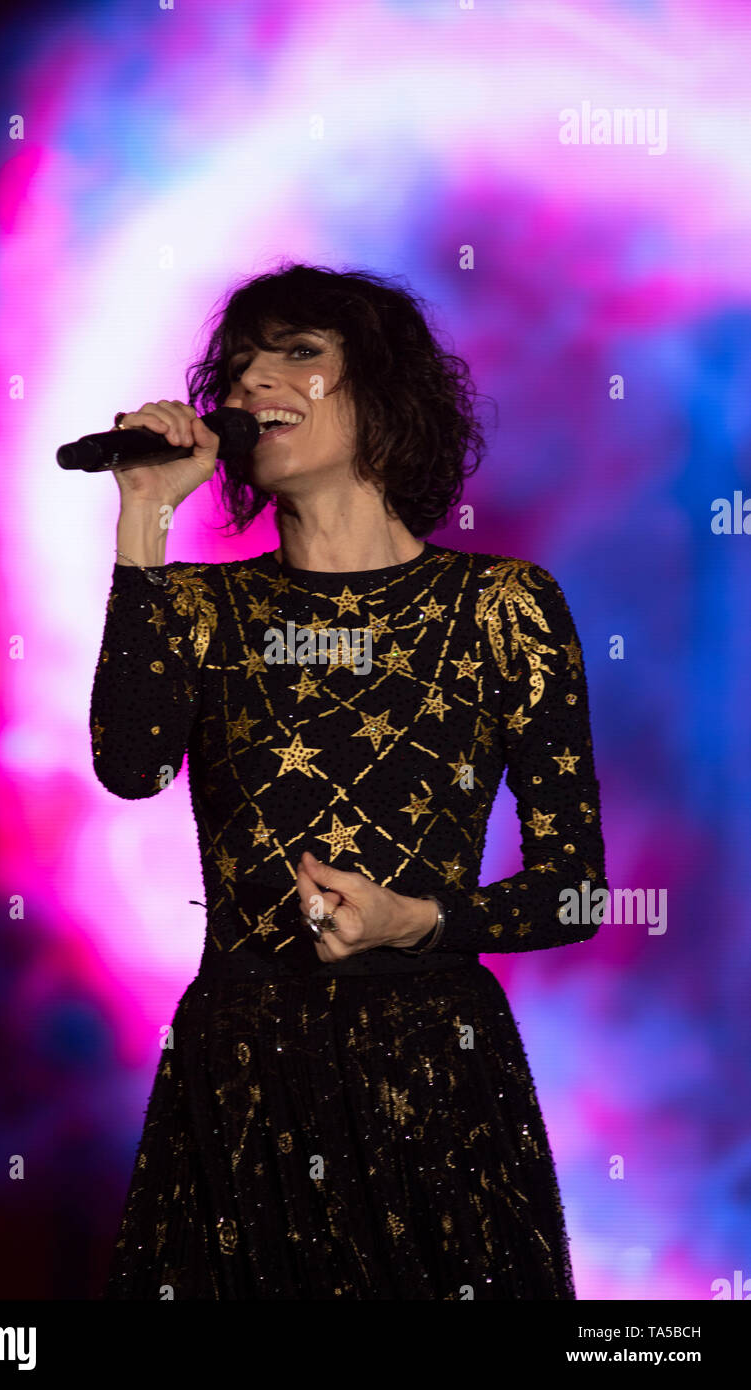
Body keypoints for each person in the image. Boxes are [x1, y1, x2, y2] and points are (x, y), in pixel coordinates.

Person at [91, 262, 608, 1300]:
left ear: (380, 391)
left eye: (296, 354)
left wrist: (413, 922)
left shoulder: (500, 606)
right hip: (239, 1081)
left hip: (432, 1077)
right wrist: (142, 518)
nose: (250, 386)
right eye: (235, 369)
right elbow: (129, 764)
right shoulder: (198, 608)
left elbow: (576, 888)